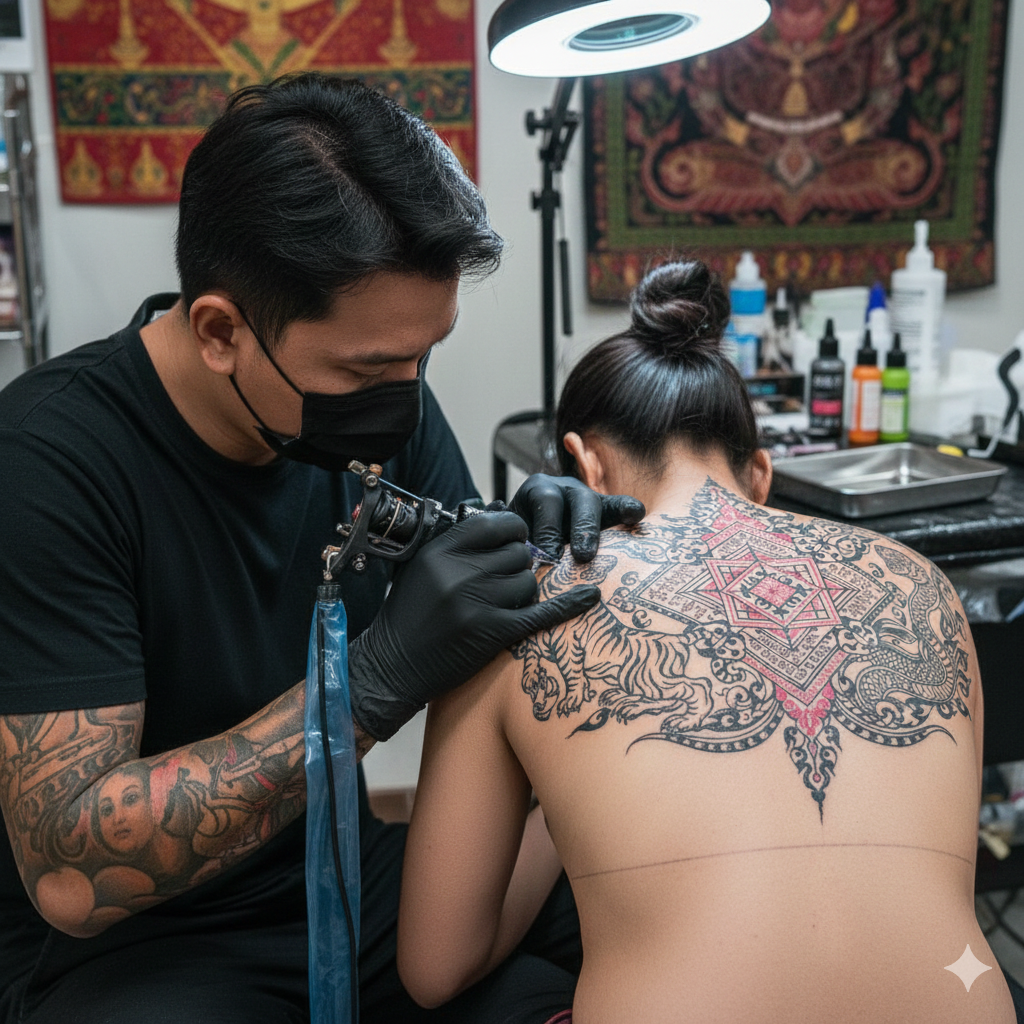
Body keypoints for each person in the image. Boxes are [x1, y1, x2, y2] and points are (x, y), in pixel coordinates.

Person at [0, 74, 644, 1024]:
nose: (406, 394)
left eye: (424, 355)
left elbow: (472, 621)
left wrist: (543, 552)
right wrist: (370, 685)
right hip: (143, 941)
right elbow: (71, 868)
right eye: (368, 368)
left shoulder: (375, 413)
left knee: (639, 921)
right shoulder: (48, 465)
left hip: (341, 865)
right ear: (222, 330)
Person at [397, 259, 1017, 1024]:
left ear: (583, 464)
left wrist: (564, 803)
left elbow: (435, 967)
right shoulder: (921, 584)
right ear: (762, 474)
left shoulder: (528, 601)